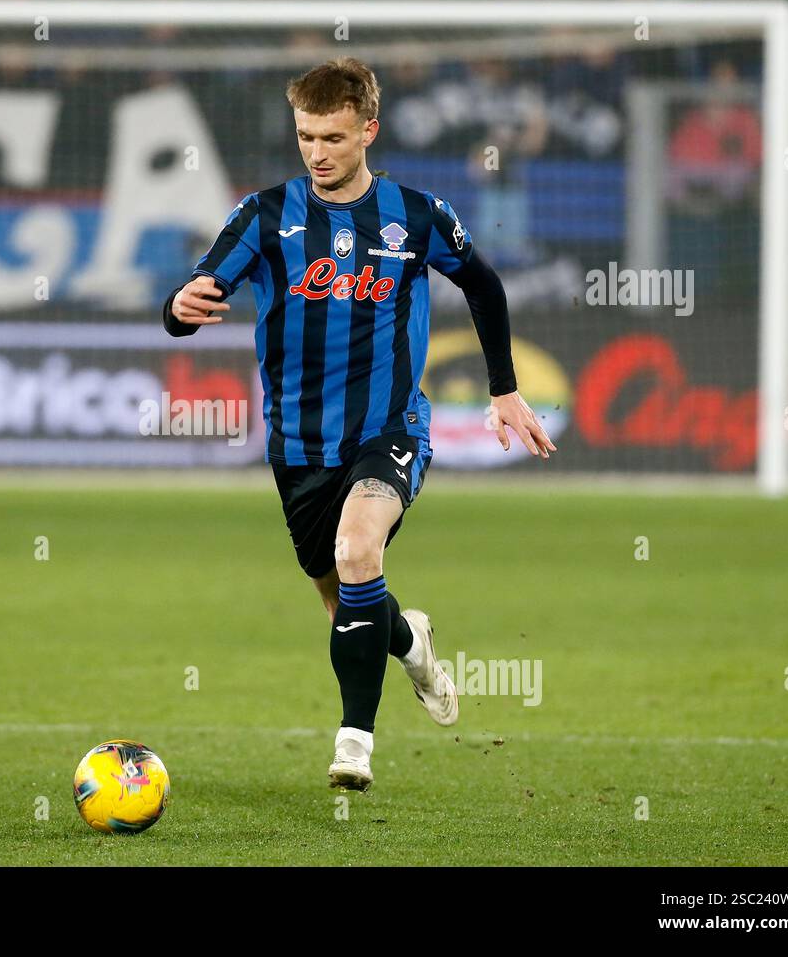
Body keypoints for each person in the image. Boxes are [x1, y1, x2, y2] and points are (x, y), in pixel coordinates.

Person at [161, 57, 556, 790]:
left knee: (357, 549)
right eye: (306, 136)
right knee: (346, 592)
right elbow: (197, 292)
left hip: (391, 430)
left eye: (334, 137)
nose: (317, 153)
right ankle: (410, 642)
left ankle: (354, 743)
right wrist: (179, 309)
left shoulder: (416, 215)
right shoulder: (265, 216)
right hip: (300, 445)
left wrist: (503, 389)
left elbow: (483, 283)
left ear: (368, 130)